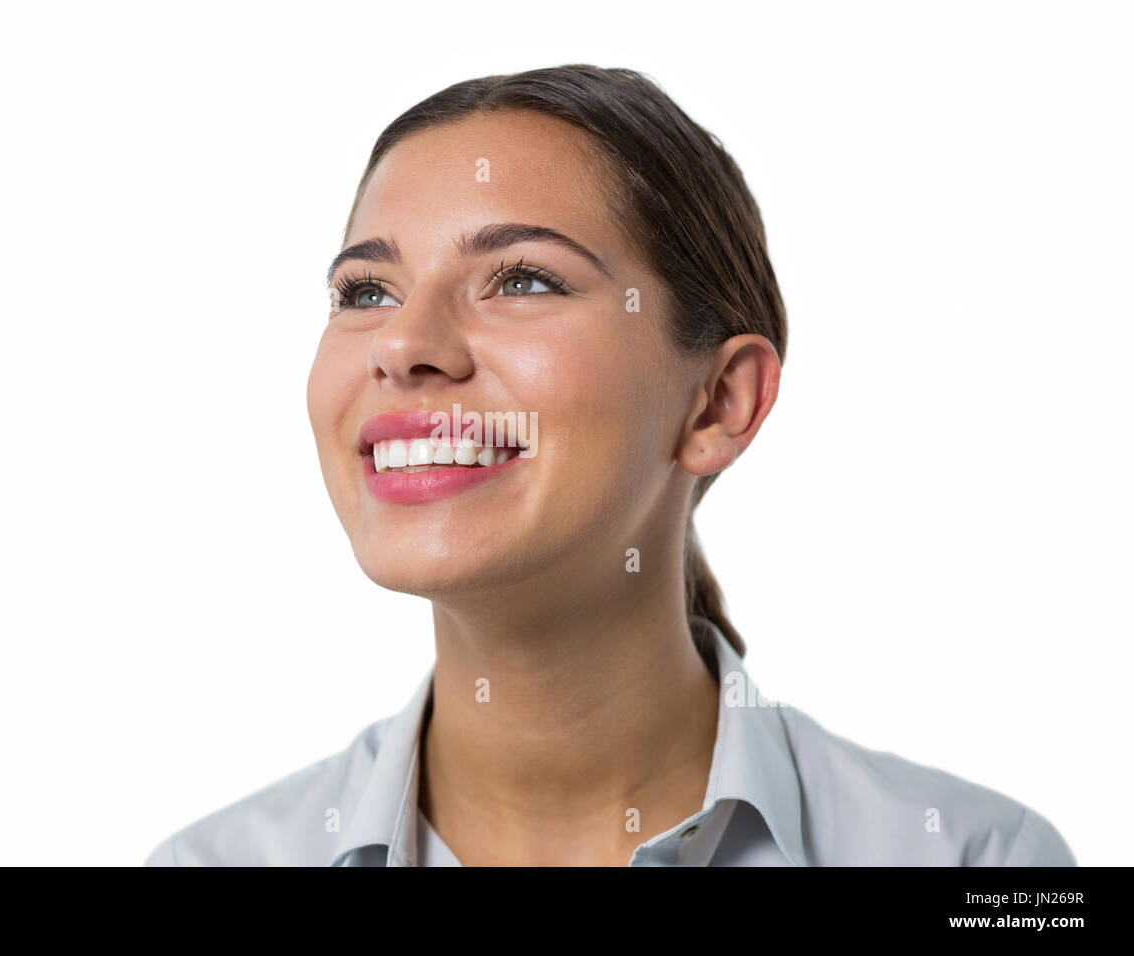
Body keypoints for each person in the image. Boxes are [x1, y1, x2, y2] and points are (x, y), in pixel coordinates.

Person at [145, 64, 1075, 866]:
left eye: (523, 279)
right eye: (366, 290)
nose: (402, 343)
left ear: (717, 403)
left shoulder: (975, 861)